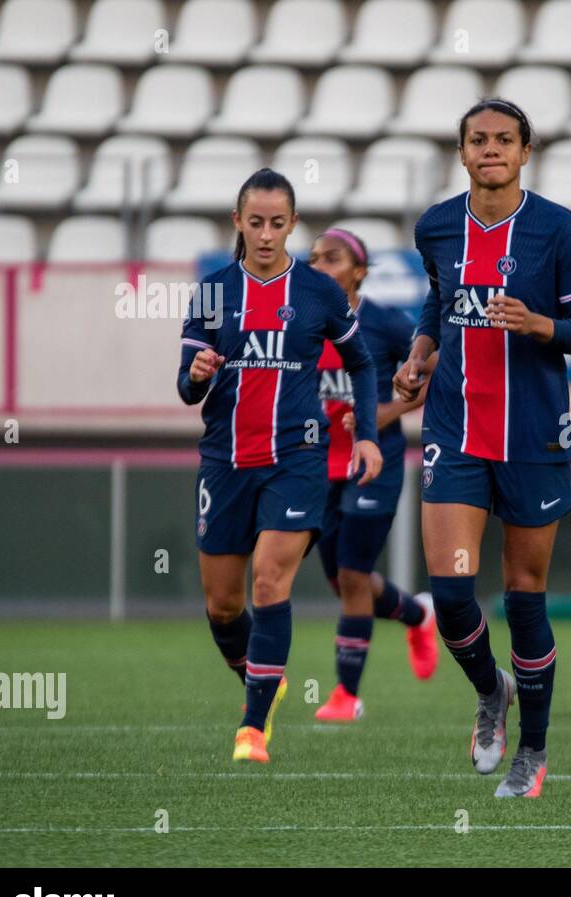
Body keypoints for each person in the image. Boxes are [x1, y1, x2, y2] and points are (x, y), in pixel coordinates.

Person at [394, 98, 571, 798]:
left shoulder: (558, 229)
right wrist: (422, 350)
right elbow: (437, 297)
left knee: (523, 596)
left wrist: (539, 322)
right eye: (477, 139)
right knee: (452, 592)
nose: (490, 149)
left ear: (524, 151)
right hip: (454, 433)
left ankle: (533, 753)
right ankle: (492, 692)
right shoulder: (436, 226)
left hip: (533, 437)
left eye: (503, 140)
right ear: (461, 152)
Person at [178, 168, 382, 763]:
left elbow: (363, 365)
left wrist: (366, 436)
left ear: (292, 225)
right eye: (255, 222)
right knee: (222, 605)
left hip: (297, 457)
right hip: (225, 461)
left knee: (269, 579)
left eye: (277, 223)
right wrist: (195, 376)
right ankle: (262, 674)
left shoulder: (318, 292)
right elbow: (187, 389)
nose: (266, 234)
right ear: (237, 222)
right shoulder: (213, 292)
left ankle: (253, 728)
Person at [307, 227, 439, 723]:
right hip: (317, 467)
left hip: (373, 466)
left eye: (332, 259)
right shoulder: (298, 324)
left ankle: (347, 695)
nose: (318, 266)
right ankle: (417, 614)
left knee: (354, 574)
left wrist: (385, 414)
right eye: (314, 257)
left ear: (359, 271)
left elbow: (436, 366)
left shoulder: (383, 323)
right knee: (342, 582)